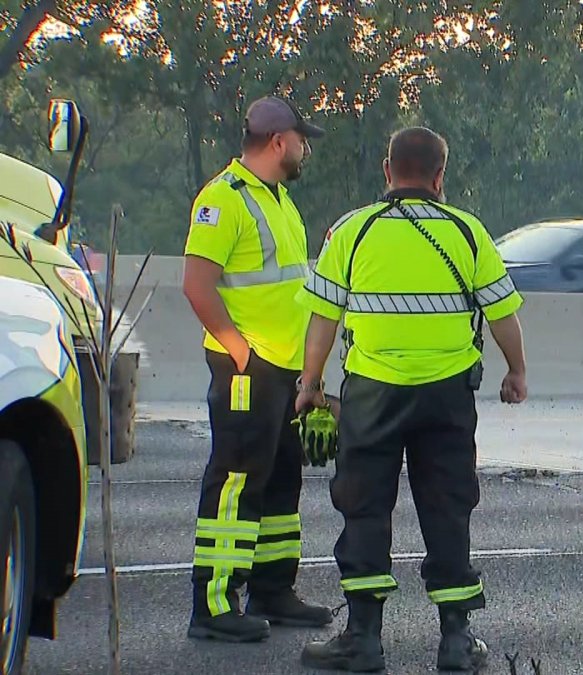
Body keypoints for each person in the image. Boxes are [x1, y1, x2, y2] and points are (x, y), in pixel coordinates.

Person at [293, 126, 528, 672]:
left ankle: (363, 639)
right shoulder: (468, 233)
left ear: (387, 170)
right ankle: (456, 642)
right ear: (440, 177)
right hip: (446, 398)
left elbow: (323, 318)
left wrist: (310, 385)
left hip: (371, 396)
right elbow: (502, 316)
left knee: (364, 507)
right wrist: (516, 372)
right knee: (448, 507)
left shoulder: (351, 231)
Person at [182, 95, 334, 641]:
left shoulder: (280, 200)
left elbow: (288, 279)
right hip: (248, 369)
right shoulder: (223, 200)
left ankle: (273, 591)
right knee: (235, 481)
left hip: (286, 370)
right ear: (278, 141)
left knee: (280, 482)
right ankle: (215, 604)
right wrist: (240, 353)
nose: (304, 149)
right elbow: (197, 285)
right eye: (301, 139)